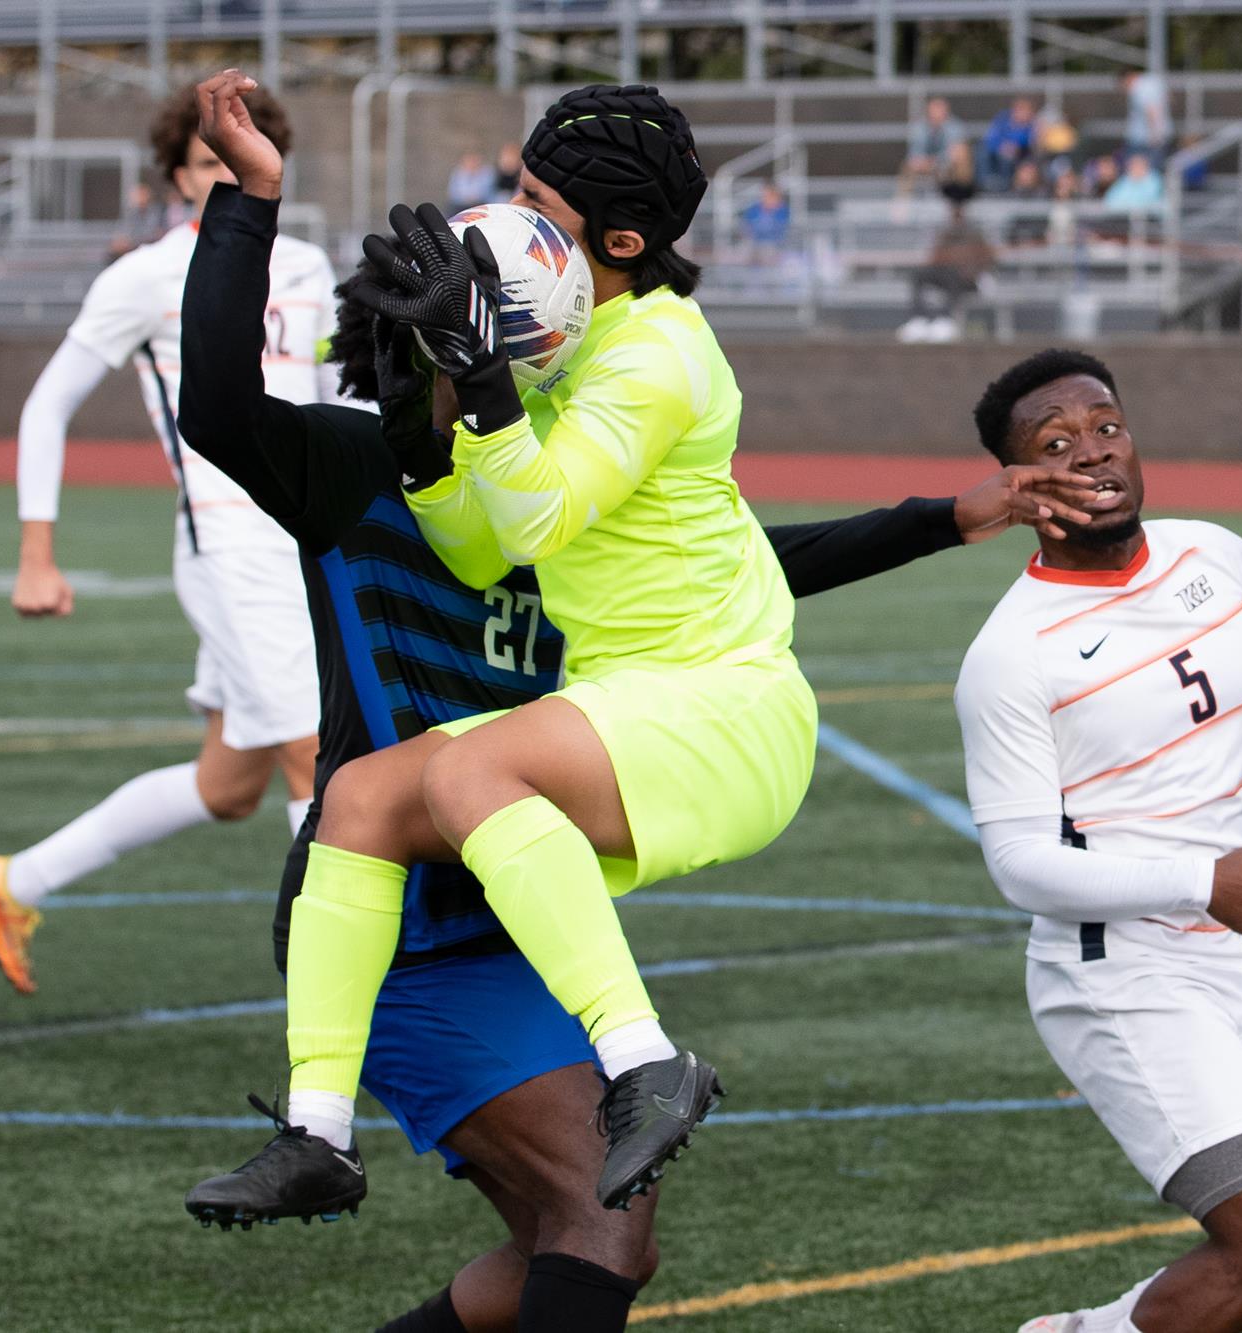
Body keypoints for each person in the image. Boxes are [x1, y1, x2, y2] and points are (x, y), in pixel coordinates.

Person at [171, 72, 1106, 1330]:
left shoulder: (551, 459)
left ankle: (598, 1079)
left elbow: (739, 561)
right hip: (394, 929)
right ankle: (365, 1116)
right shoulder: (355, 467)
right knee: (593, 1224)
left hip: (509, 893)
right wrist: (250, 200)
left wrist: (946, 516)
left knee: (600, 1234)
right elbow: (219, 407)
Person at [954, 349, 1242, 1333]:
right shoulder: (1010, 653)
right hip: (1117, 972)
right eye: (1055, 444)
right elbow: (1018, 865)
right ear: (1022, 484)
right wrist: (1200, 879)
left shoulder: (1208, 554)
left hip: (1233, 959)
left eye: (1106, 426)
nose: (1094, 453)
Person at [0, 83, 332, 995]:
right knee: (316, 755)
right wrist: (36, 550)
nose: (227, 175)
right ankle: (359, 990)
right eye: (209, 162)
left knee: (228, 784)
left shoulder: (313, 267)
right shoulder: (146, 276)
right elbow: (47, 404)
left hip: (310, 535)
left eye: (242, 156)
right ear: (178, 175)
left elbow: (339, 400)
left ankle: (16, 880)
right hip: (229, 542)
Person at [900, 199, 994, 344]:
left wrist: (970, 271)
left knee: (952, 275)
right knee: (919, 274)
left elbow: (987, 259)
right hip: (946, 275)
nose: (955, 217)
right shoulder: (944, 235)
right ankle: (919, 319)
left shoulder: (975, 235)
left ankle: (946, 320)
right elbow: (935, 257)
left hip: (968, 281)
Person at [896, 96, 968, 202]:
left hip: (947, 166)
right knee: (908, 166)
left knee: (962, 160)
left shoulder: (955, 127)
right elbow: (914, 154)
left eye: (941, 110)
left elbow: (954, 154)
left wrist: (936, 161)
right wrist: (928, 162)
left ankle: (959, 203)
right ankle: (901, 206)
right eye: (935, 110)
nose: (938, 113)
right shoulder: (919, 128)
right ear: (928, 111)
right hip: (926, 164)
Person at [982, 96, 1039, 191]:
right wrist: (1001, 146)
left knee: (1009, 159)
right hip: (998, 153)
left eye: (1025, 110)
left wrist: (1014, 145)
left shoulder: (1033, 125)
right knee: (982, 152)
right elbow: (991, 139)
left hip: (1023, 157)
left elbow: (1029, 143)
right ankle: (985, 183)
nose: (1022, 113)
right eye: (1019, 109)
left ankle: (1006, 188)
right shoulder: (1002, 120)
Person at [1122, 69, 1170, 164]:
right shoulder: (1154, 83)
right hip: (1155, 138)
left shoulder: (1140, 88)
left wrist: (1155, 135)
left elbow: (1151, 110)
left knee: (1141, 170)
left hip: (1145, 140)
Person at [740, 180, 791, 263]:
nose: (766, 197)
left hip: (774, 244)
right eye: (765, 194)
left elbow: (781, 230)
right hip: (754, 242)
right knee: (744, 251)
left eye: (770, 195)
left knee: (768, 253)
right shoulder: (754, 208)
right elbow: (746, 226)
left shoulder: (783, 210)